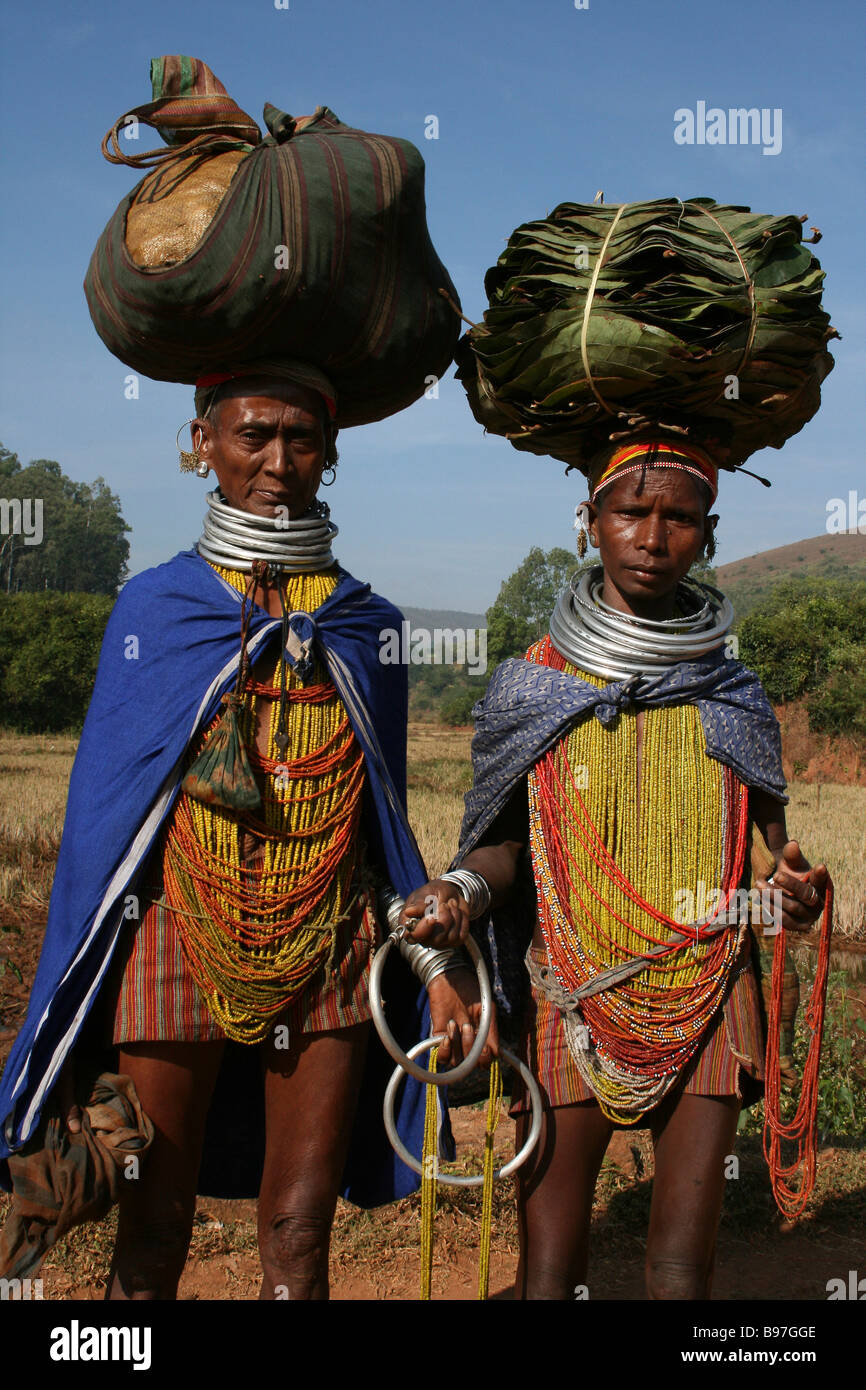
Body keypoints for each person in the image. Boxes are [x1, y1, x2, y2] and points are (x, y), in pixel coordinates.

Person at [0, 363, 483, 1300]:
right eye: (251, 435)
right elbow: (108, 820)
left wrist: (434, 964)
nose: (276, 461)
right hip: (178, 929)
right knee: (152, 1228)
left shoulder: (363, 625)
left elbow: (381, 823)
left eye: (301, 439)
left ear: (330, 454)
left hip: (330, 945)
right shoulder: (156, 610)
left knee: (299, 1237)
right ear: (201, 444)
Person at [401, 437, 829, 1301]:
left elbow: (769, 861)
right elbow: (508, 844)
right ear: (589, 522)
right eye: (631, 512)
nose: (652, 536)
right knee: (550, 1271)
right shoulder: (538, 684)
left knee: (680, 1272)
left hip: (705, 994)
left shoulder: (729, 691)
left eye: (679, 518)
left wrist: (792, 896)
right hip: (571, 987)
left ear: (707, 538)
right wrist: (461, 890)